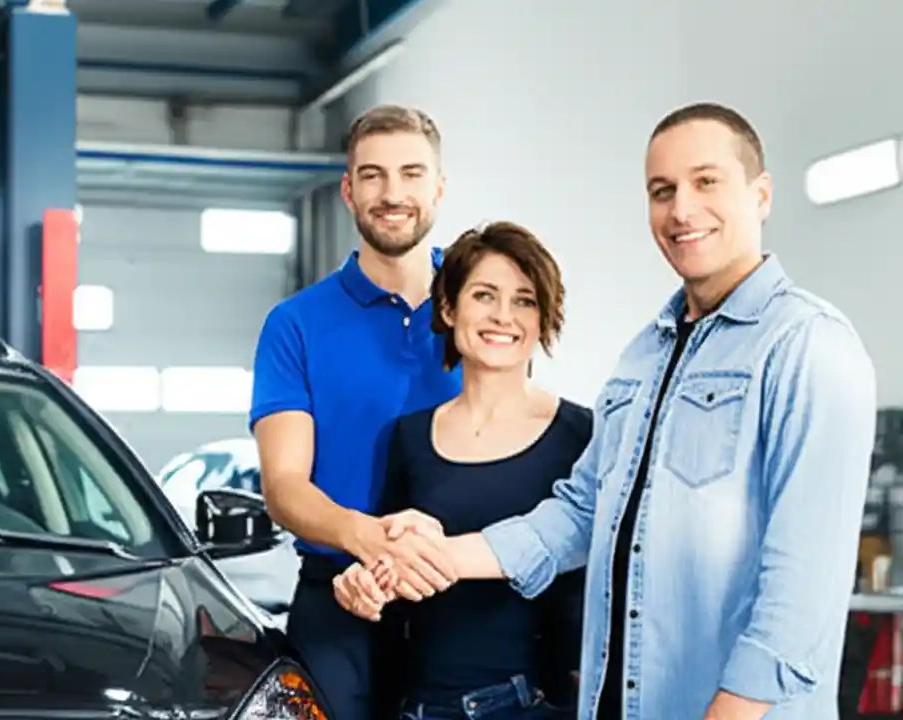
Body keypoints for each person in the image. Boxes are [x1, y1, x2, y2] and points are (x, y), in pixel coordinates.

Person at [338, 101, 878, 720]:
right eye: (661, 190)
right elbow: (577, 513)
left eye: (706, 182)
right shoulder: (643, 357)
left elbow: (803, 588)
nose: (681, 210)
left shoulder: (808, 346)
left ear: (760, 195)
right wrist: (432, 554)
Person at [249, 104, 464, 720]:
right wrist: (368, 541)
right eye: (372, 176)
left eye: (412, 174)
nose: (392, 194)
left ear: (440, 187)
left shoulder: (483, 302)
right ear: (348, 190)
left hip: (459, 592)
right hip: (338, 604)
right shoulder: (296, 325)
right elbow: (285, 485)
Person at [334, 222, 591, 719]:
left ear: (544, 319)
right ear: (449, 308)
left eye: (525, 300)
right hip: (422, 709)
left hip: (538, 707)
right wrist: (363, 587)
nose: (503, 316)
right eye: (484, 295)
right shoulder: (407, 437)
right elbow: (392, 572)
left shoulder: (583, 435)